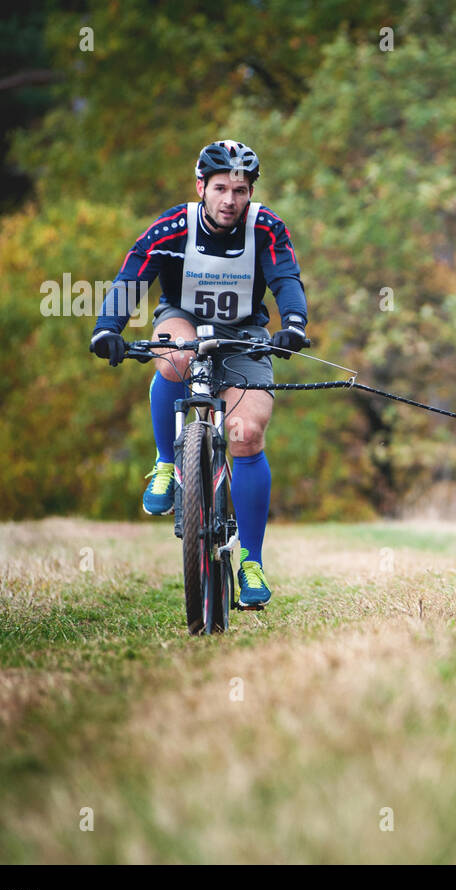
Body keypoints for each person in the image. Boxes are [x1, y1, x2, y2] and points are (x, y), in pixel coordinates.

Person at [89, 139, 308, 608]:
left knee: (246, 432)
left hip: (246, 333)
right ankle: (166, 463)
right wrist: (108, 328)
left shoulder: (265, 227)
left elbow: (286, 279)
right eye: (222, 188)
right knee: (174, 356)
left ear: (251, 192)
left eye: (241, 190)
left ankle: (251, 562)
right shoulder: (172, 228)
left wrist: (293, 324)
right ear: (201, 187)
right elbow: (132, 278)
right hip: (182, 320)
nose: (231, 200)